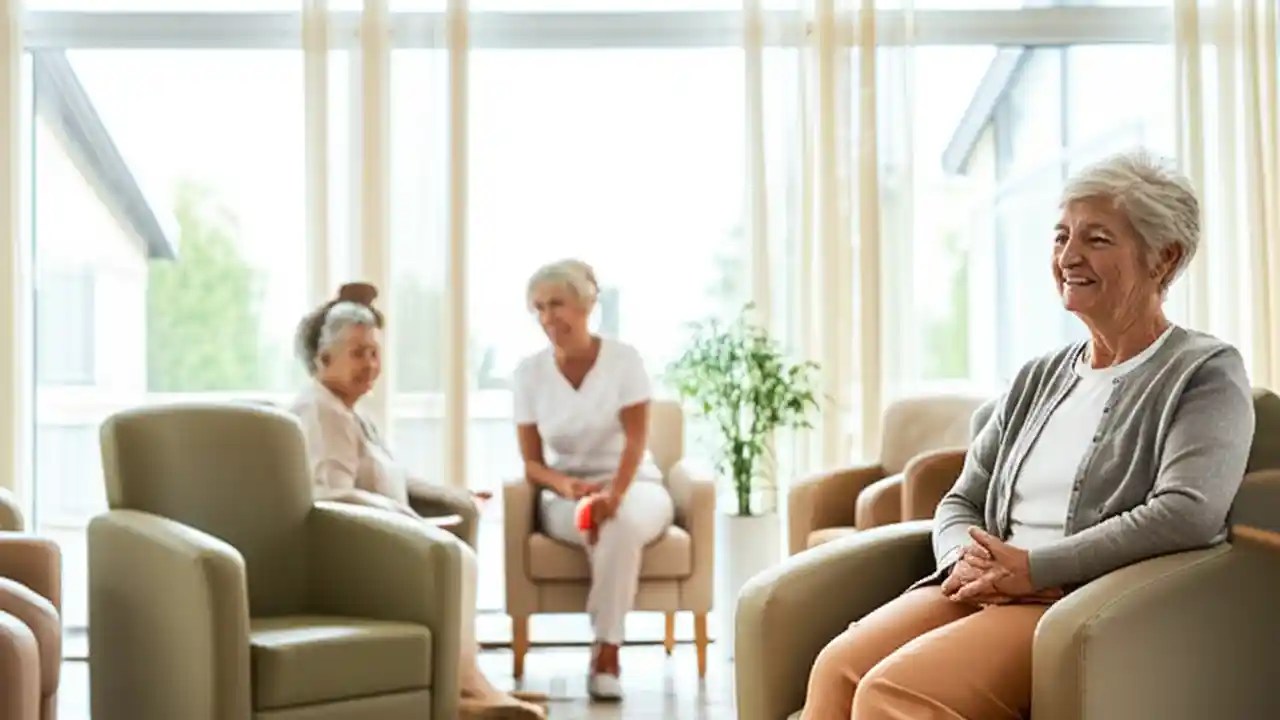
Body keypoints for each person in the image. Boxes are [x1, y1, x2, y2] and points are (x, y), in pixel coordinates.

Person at [800, 149, 1255, 719]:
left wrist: (1034, 569)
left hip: (1076, 603)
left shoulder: (1203, 371)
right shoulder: (1038, 377)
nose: (1068, 256)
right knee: (837, 669)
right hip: (987, 586)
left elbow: (1186, 512)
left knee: (894, 693)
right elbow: (962, 498)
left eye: (1097, 239)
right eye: (1061, 236)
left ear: (1164, 259)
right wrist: (965, 563)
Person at [290, 283, 546, 720]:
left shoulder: (350, 411)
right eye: (357, 353)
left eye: (374, 352)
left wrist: (455, 495)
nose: (370, 364)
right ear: (322, 359)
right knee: (456, 560)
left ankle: (473, 685)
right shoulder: (321, 412)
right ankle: (464, 694)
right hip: (348, 552)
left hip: (381, 537)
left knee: (458, 548)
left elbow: (389, 474)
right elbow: (331, 494)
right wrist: (406, 519)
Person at [513, 259, 675, 702]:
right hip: (566, 493)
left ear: (585, 305)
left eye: (558, 305)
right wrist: (565, 487)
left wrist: (614, 495)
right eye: (540, 308)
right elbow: (531, 464)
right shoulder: (529, 373)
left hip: (635, 485)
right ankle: (605, 650)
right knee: (600, 522)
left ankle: (607, 652)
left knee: (617, 524)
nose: (549, 318)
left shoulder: (624, 361)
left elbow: (636, 441)